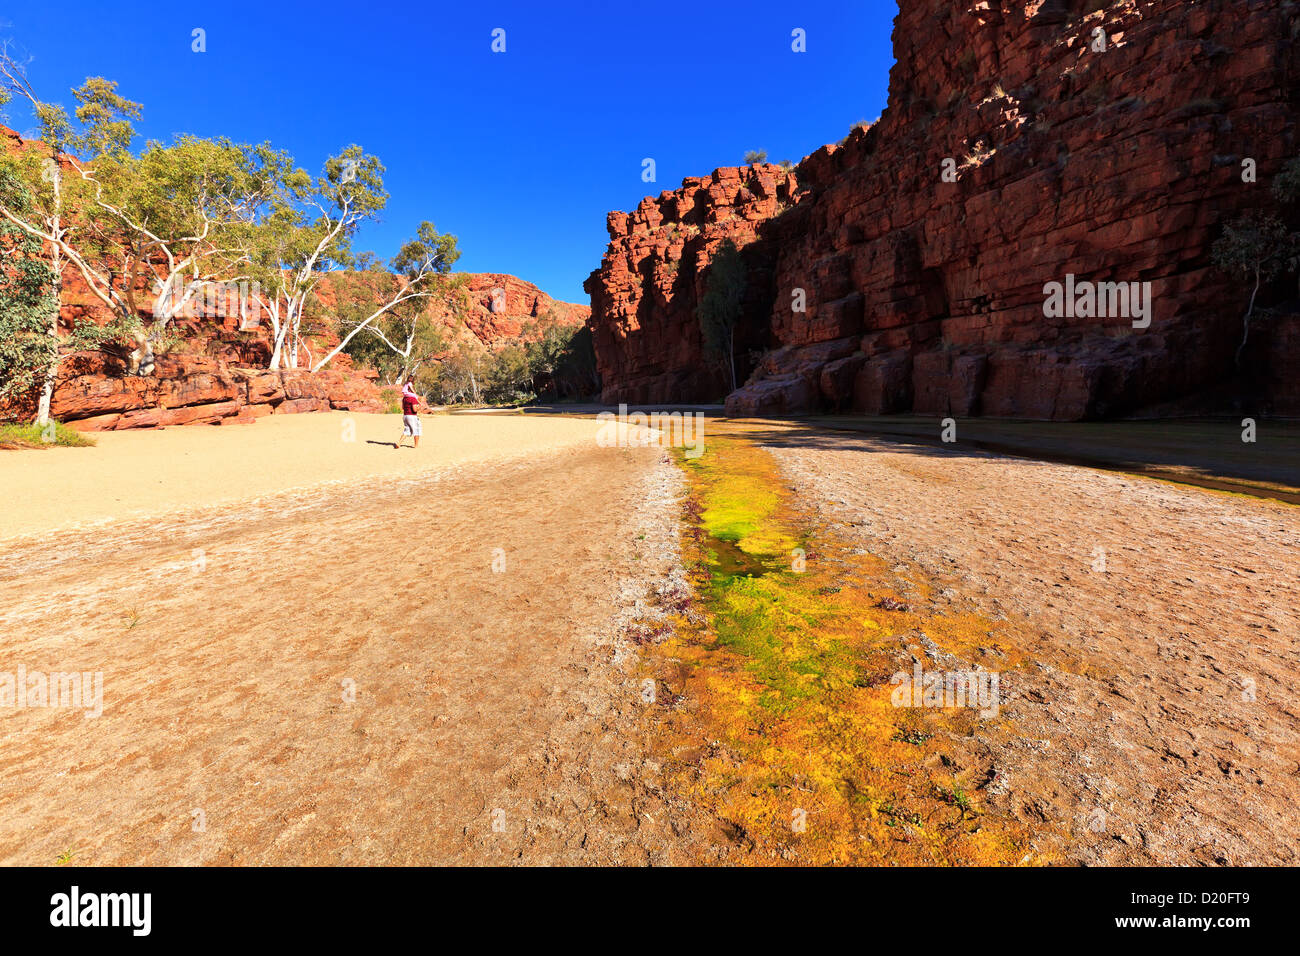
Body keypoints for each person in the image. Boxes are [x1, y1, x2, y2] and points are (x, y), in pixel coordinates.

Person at [397, 377, 421, 449]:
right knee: (417, 429)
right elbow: (414, 410)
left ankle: (399, 443)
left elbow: (403, 408)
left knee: (407, 430)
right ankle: (416, 445)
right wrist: (419, 408)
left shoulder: (404, 398)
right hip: (412, 416)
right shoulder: (413, 398)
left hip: (405, 416)